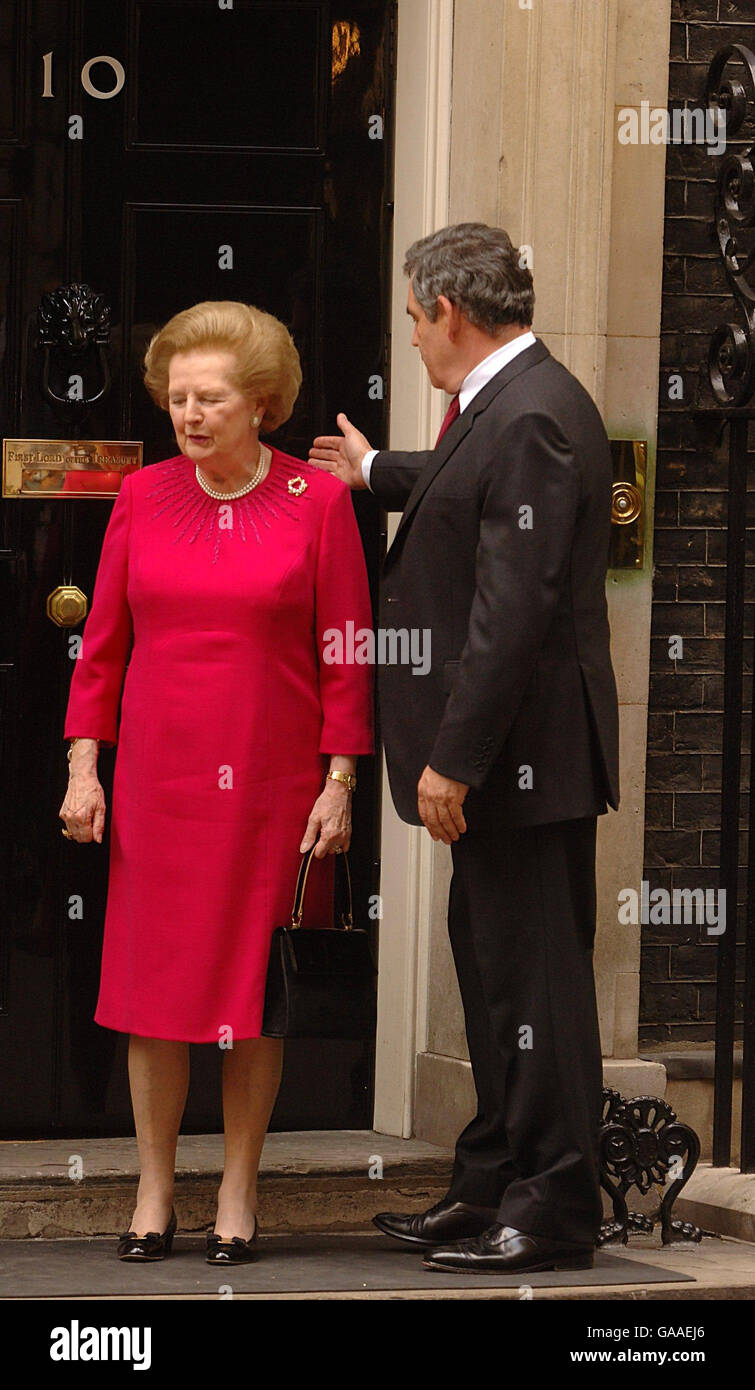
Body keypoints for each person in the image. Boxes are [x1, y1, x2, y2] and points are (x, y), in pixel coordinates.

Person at [310, 223, 619, 1275]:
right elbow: (464, 488)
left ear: (446, 310)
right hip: (504, 764)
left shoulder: (529, 412)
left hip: (514, 763)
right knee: (494, 975)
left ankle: (553, 1207)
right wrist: (376, 471)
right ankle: (491, 1179)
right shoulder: (507, 402)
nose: (409, 334)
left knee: (532, 987)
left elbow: (512, 608)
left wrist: (455, 758)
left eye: (410, 314)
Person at [59, 300, 373, 1265]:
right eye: (178, 398)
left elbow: (346, 653)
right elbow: (103, 649)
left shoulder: (316, 504)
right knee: (156, 992)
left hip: (273, 787)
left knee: (251, 992)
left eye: (212, 399)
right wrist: (84, 767)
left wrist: (341, 783)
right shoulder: (140, 498)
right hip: (159, 784)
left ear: (263, 403)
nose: (189, 415)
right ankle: (154, 1187)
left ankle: (239, 1186)